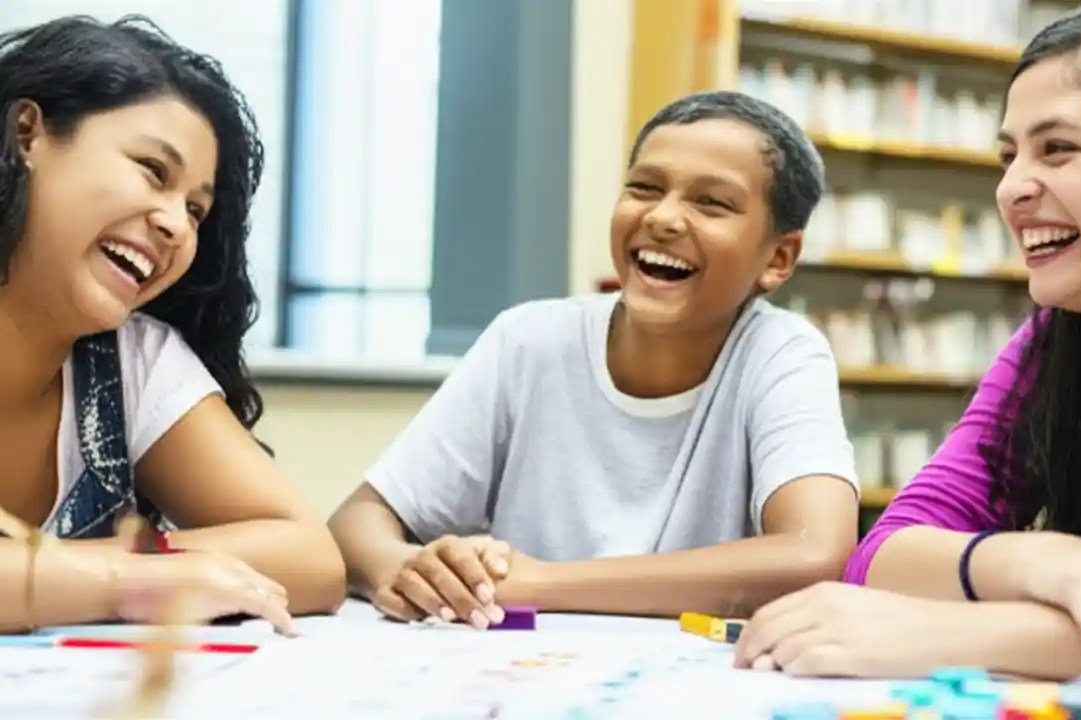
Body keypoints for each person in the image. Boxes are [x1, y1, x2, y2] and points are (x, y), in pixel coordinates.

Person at [735, 0, 1081, 678]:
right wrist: (1041, 559)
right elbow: (885, 552)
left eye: (1059, 148)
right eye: (1008, 154)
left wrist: (979, 636)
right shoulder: (1054, 346)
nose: (1012, 188)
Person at [329, 91, 860, 627]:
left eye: (711, 203)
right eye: (644, 188)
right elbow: (356, 521)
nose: (663, 217)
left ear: (778, 258)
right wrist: (407, 569)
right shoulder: (528, 340)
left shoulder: (781, 353)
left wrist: (541, 583)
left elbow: (815, 554)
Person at [0, 15, 345, 634]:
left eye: (196, 210)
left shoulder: (132, 361)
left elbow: (311, 558)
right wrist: (133, 579)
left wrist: (46, 574)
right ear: (29, 134)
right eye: (153, 171)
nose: (176, 227)